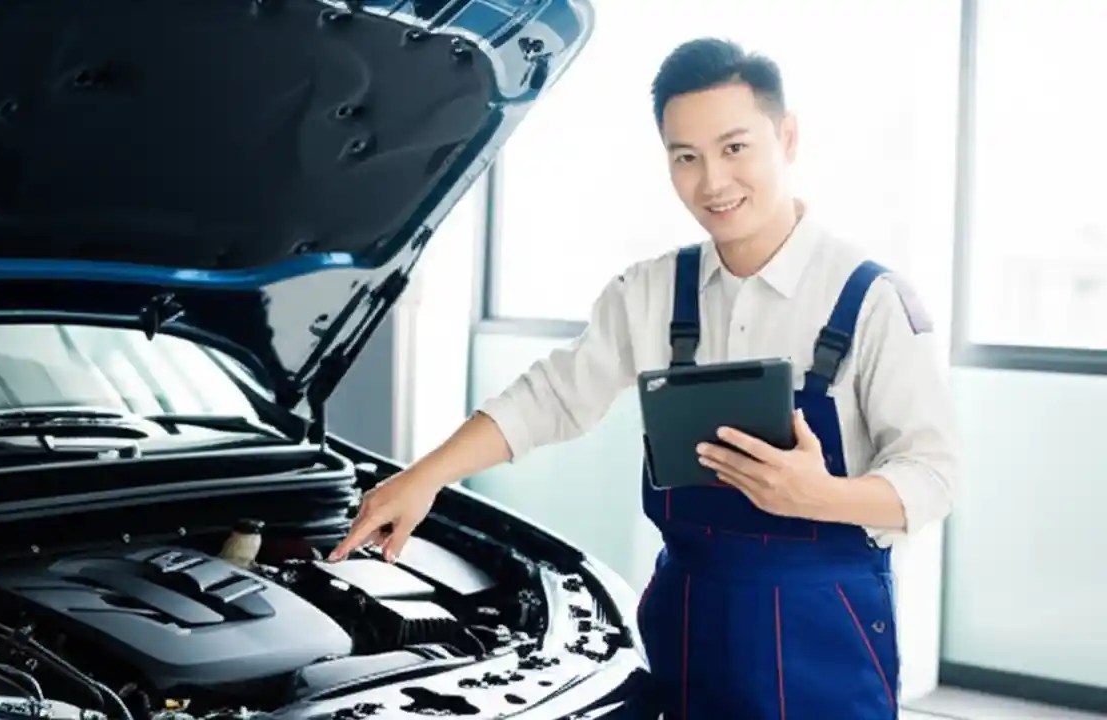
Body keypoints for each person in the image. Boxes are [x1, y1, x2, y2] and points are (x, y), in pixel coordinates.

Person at [328, 37, 959, 720]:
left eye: (735, 148)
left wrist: (817, 495)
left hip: (822, 634)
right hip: (687, 621)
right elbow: (552, 397)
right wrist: (424, 478)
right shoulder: (651, 292)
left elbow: (934, 478)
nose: (712, 181)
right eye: (685, 157)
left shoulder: (870, 300)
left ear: (788, 137)